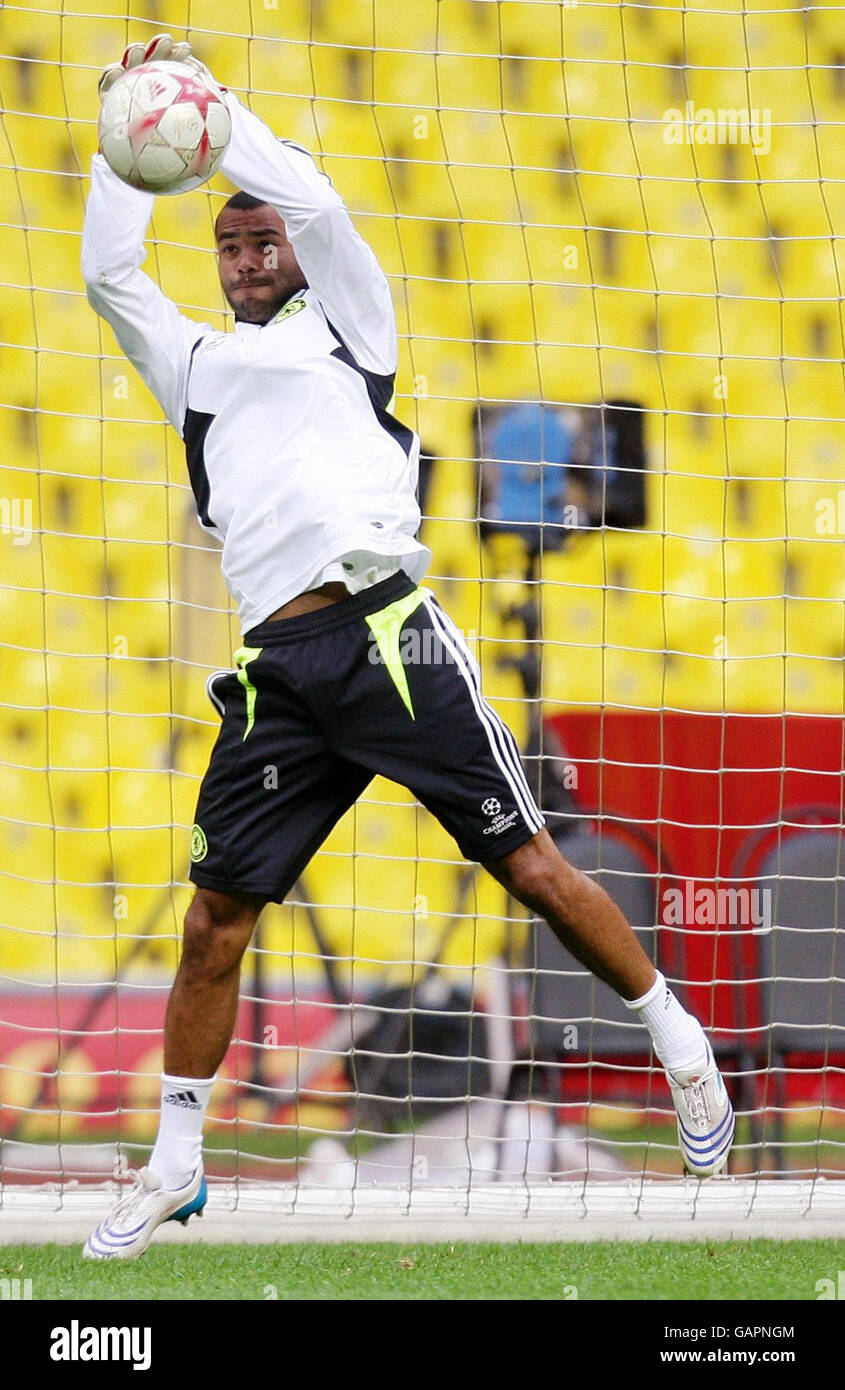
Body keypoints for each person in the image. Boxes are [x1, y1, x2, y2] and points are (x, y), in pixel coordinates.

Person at [80, 35, 733, 1259]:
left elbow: (316, 202)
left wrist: (212, 108)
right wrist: (128, 130)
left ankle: (678, 1044)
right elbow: (109, 273)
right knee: (214, 922)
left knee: (529, 866)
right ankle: (174, 1163)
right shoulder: (195, 366)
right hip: (278, 673)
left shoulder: (350, 323)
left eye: (260, 240)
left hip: (389, 639)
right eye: (228, 243)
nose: (246, 257)